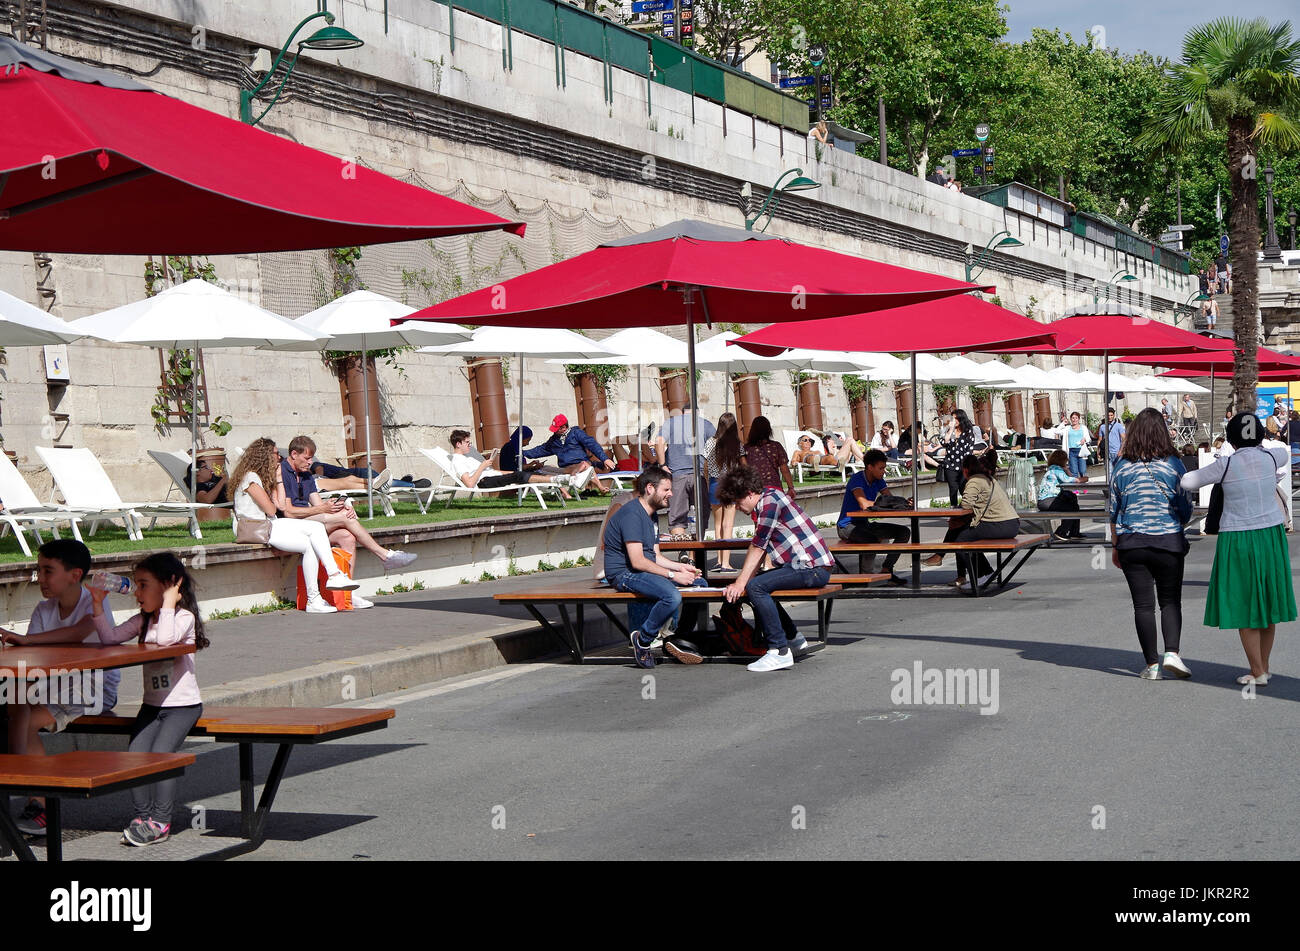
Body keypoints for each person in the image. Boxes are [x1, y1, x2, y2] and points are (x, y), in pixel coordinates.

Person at [1, 539, 120, 836]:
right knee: (13, 703)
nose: (39, 578)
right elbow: (31, 660)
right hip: (55, 683)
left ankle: (39, 803)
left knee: (23, 719)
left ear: (75, 574)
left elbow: (79, 633)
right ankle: (21, 786)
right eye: (38, 570)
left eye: (47, 570)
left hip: (92, 686)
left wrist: (26, 642)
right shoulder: (44, 609)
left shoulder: (95, 601)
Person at [89, 552, 207, 847]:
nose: (137, 593)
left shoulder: (182, 618)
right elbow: (110, 638)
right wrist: (96, 605)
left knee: (162, 756)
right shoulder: (142, 621)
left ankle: (161, 821)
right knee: (135, 754)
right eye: (136, 585)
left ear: (169, 585)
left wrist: (168, 602)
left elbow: (166, 641)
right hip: (152, 706)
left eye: (143, 585)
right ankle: (142, 818)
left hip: (182, 706)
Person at [1181, 413, 1295, 685]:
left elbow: (1187, 482)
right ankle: (1263, 667)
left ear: (1231, 438)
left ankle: (1257, 671)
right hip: (1271, 534)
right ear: (1259, 435)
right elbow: (1282, 452)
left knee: (1246, 604)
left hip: (1238, 536)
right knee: (1268, 603)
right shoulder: (1273, 457)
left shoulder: (1225, 465)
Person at [717, 465, 834, 672]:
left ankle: (779, 650)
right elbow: (759, 550)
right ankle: (793, 638)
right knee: (760, 584)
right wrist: (741, 582)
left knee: (757, 587)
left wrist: (740, 583)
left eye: (737, 501)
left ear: (749, 493)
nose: (737, 507)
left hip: (812, 567)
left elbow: (758, 545)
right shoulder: (769, 499)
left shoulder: (770, 501)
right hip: (808, 566)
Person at [1108, 409, 1192, 680]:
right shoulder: (1174, 464)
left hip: (1132, 542)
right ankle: (1173, 654)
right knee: (1170, 601)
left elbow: (1112, 508)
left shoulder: (1121, 466)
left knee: (1142, 606)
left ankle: (1152, 665)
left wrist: (1115, 545)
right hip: (1168, 541)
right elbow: (1184, 503)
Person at [231, 438, 360, 614]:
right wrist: (274, 486)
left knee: (310, 544)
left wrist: (277, 479)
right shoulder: (251, 478)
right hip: (254, 527)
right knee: (315, 529)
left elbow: (281, 506)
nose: (279, 457)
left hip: (267, 524)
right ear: (264, 456)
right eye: (276, 453)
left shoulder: (261, 477)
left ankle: (314, 599)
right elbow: (271, 509)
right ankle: (334, 576)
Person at [281, 435, 420, 588]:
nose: (311, 462)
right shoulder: (282, 472)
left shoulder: (306, 474)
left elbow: (318, 504)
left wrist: (337, 507)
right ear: (294, 454)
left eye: (311, 458)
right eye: (307, 458)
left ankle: (347, 593)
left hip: (309, 523)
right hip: (290, 525)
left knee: (347, 536)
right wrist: (327, 510)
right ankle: (384, 555)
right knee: (345, 517)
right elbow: (289, 513)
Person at [602, 465, 705, 669]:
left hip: (639, 570)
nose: (671, 494)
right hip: (624, 574)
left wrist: (681, 568)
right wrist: (673, 576)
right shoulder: (632, 514)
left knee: (699, 583)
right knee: (672, 596)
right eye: (666, 489)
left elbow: (655, 556)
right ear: (650, 488)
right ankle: (643, 640)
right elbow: (638, 561)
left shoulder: (652, 515)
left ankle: (677, 639)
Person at [925, 449, 1019, 589]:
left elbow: (966, 505)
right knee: (963, 533)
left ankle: (977, 577)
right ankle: (985, 574)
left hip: (999, 524)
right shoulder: (988, 478)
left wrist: (956, 514)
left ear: (965, 470)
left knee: (960, 540)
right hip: (1011, 523)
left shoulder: (975, 481)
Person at [836, 449, 910, 585]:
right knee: (871, 539)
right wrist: (886, 504)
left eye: (884, 468)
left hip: (865, 524)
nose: (884, 471)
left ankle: (886, 571)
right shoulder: (856, 479)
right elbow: (863, 503)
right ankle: (866, 577)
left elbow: (889, 500)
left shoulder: (879, 480)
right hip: (847, 526)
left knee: (904, 532)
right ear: (870, 467)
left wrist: (903, 503)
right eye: (881, 468)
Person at [449, 429, 578, 499]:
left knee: (519, 474)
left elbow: (497, 472)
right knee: (520, 477)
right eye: (467, 442)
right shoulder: (458, 460)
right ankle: (558, 479)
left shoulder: (468, 457)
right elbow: (470, 484)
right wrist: (482, 466)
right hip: (484, 482)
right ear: (458, 444)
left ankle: (562, 479)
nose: (470, 445)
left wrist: (513, 472)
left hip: (492, 476)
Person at [655, 408, 716, 540]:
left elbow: (659, 441)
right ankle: (694, 554)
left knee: (677, 517)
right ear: (697, 412)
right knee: (701, 515)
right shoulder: (705, 424)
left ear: (682, 412)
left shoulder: (670, 423)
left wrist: (662, 465)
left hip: (677, 475)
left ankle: (682, 549)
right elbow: (717, 447)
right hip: (699, 475)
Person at [525, 414, 616, 493]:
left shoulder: (576, 433)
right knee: (544, 468)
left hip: (581, 464)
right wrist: (522, 453)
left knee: (585, 465)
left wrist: (605, 459)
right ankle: (572, 483)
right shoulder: (554, 440)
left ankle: (594, 486)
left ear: (564, 427)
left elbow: (592, 444)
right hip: (566, 469)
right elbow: (540, 450)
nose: (554, 431)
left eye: (556, 429)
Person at [705, 413, 744, 570]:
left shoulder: (710, 442)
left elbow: (706, 466)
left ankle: (719, 560)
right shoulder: (737, 444)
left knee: (717, 525)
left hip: (715, 483)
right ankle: (726, 563)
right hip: (730, 483)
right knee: (728, 525)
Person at [1037, 449, 1087, 540]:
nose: (1067, 460)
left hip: (1048, 500)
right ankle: (1061, 532)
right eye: (1066, 459)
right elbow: (1069, 480)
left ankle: (1074, 532)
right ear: (1062, 460)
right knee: (1072, 508)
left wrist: (1067, 469)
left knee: (1072, 500)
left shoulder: (1054, 468)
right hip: (1047, 501)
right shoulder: (1056, 469)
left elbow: (1068, 478)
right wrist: (1082, 479)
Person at [743, 415, 796, 498]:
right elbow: (784, 469)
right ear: (769, 430)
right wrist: (791, 487)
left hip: (754, 491)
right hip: (775, 489)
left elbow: (744, 470)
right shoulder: (776, 446)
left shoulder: (747, 449)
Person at [939, 409, 978, 506]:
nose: (954, 421)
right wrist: (951, 429)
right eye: (953, 418)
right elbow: (944, 442)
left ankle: (965, 508)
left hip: (963, 465)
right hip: (950, 464)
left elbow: (969, 449)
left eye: (956, 418)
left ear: (961, 419)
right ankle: (953, 510)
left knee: (963, 488)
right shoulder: (947, 430)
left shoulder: (968, 432)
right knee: (953, 488)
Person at [498, 426, 563, 476]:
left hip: (521, 474)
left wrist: (533, 467)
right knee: (550, 474)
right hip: (514, 476)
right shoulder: (509, 447)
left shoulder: (516, 447)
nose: (527, 444)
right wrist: (530, 465)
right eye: (527, 440)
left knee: (548, 468)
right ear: (521, 438)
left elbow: (521, 467)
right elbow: (513, 468)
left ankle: (565, 474)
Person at [1064, 411, 1091, 477]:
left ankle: (1084, 486)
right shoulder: (1067, 428)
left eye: (1076, 418)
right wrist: (1063, 423)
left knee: (1082, 470)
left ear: (1079, 419)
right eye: (1073, 418)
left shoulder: (1083, 427)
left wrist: (1084, 439)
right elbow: (1057, 431)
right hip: (1071, 451)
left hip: (1081, 450)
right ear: (1070, 419)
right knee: (1074, 471)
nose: (1074, 420)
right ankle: (1075, 487)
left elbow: (1088, 438)